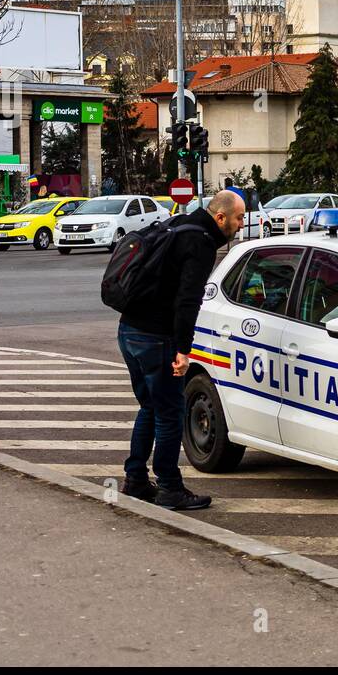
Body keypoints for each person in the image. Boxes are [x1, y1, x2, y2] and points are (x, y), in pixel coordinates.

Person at [117, 189, 246, 510]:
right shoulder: (200, 243)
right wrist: (183, 350)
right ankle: (170, 487)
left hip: (129, 330)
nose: (241, 224)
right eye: (239, 218)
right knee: (171, 412)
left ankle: (134, 479)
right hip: (155, 337)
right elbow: (187, 301)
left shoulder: (179, 225)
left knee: (150, 406)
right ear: (220, 218)